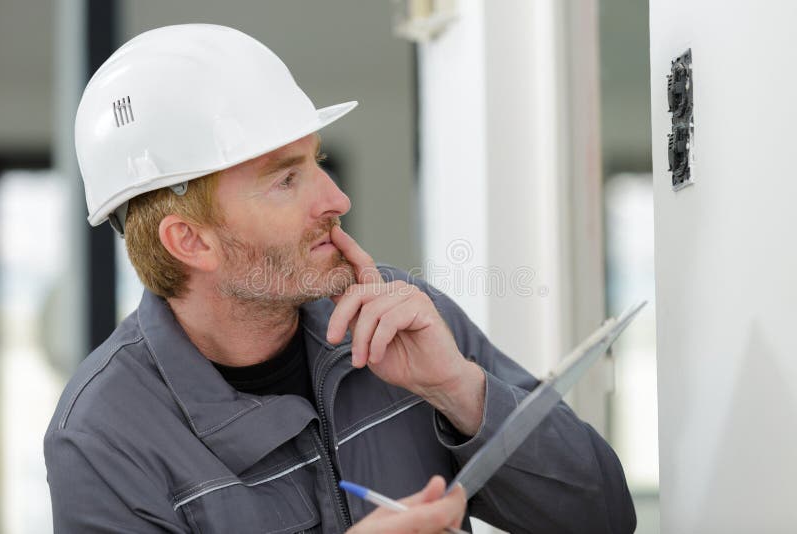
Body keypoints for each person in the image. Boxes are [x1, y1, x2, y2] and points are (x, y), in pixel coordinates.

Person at [44, 24, 636, 533]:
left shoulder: (405, 319)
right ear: (190, 241)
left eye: (316, 163)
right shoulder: (103, 436)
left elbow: (604, 515)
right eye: (285, 180)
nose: (337, 198)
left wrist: (458, 388)